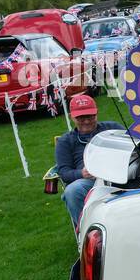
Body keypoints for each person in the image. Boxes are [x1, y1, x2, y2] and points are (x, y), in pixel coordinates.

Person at [55, 95, 124, 228]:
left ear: (96, 113)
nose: (86, 121)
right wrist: (82, 173)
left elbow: (133, 147)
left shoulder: (112, 128)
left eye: (90, 116)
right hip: (90, 182)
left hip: (121, 175)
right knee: (72, 190)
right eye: (81, 117)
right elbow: (63, 172)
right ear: (72, 117)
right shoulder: (65, 141)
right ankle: (88, 232)